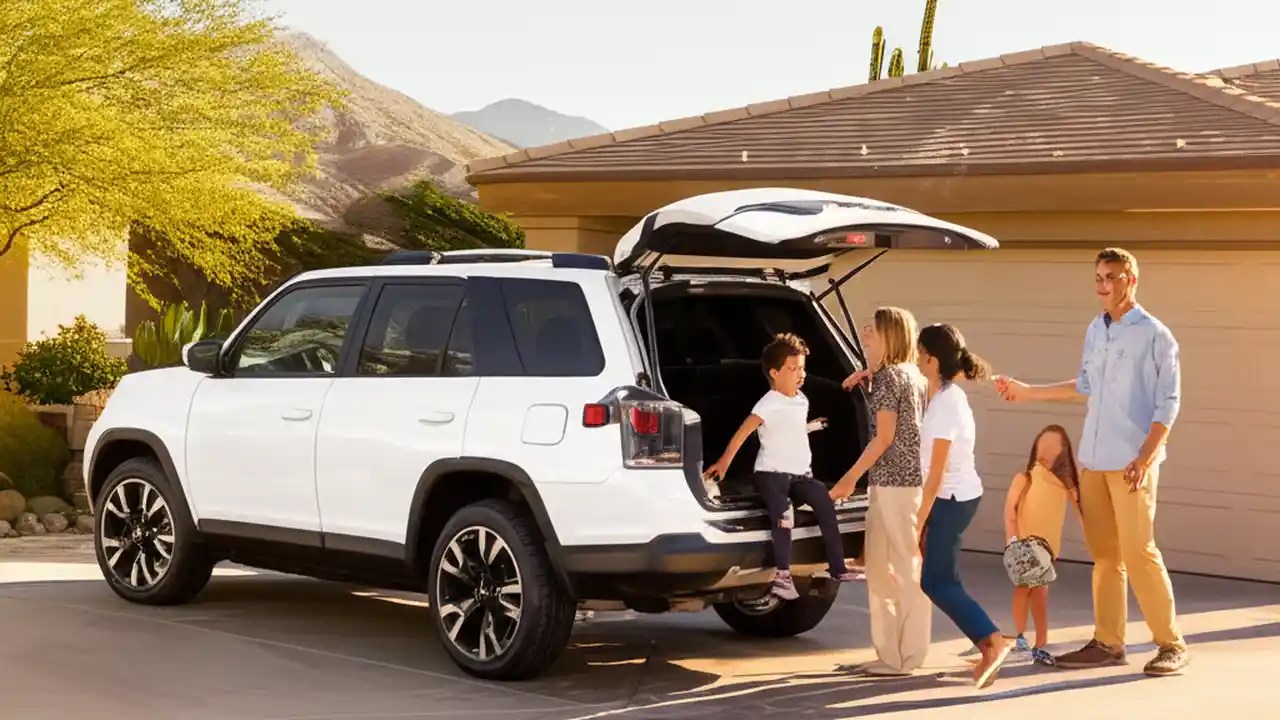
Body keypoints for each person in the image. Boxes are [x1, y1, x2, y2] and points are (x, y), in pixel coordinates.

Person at [994, 247, 1188, 677]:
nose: (1103, 285)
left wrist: (1145, 457)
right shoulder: (1095, 331)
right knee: (1105, 556)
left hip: (1133, 463)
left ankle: (1171, 644)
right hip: (1095, 462)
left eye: (1112, 277)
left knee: (1139, 552)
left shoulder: (1155, 335)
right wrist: (1028, 392)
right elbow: (1085, 385)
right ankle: (1108, 643)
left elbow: (1169, 403)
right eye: (1099, 277)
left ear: (1131, 280)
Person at [703, 333, 861, 600]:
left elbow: (791, 430)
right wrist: (725, 461)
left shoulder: (801, 400)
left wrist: (811, 427)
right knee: (783, 515)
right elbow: (745, 431)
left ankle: (838, 567)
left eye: (802, 368)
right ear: (775, 373)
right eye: (793, 368)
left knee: (825, 504)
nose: (801, 374)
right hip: (772, 474)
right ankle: (783, 576)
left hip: (800, 475)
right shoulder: (768, 402)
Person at [828, 307, 932, 676]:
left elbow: (884, 437)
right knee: (888, 569)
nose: (865, 333)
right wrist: (869, 374)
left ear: (892, 335)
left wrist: (849, 478)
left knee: (898, 570)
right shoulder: (912, 375)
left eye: (874, 329)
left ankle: (904, 657)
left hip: (893, 485)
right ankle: (892, 655)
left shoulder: (890, 379)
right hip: (903, 485)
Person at [915, 323, 1011, 689]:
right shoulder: (945, 396)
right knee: (944, 577)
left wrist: (918, 521)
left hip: (951, 498)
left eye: (920, 353)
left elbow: (937, 473)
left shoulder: (946, 405)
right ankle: (985, 641)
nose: (916, 360)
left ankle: (993, 641)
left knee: (936, 581)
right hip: (955, 496)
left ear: (932, 359)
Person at [1002, 424, 1083, 666]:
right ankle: (1019, 637)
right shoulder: (1024, 479)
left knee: (1040, 594)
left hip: (1046, 550)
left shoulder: (1063, 484)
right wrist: (1012, 542)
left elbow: (1081, 510)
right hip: (1024, 547)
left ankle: (1041, 642)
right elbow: (1010, 513)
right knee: (1023, 590)